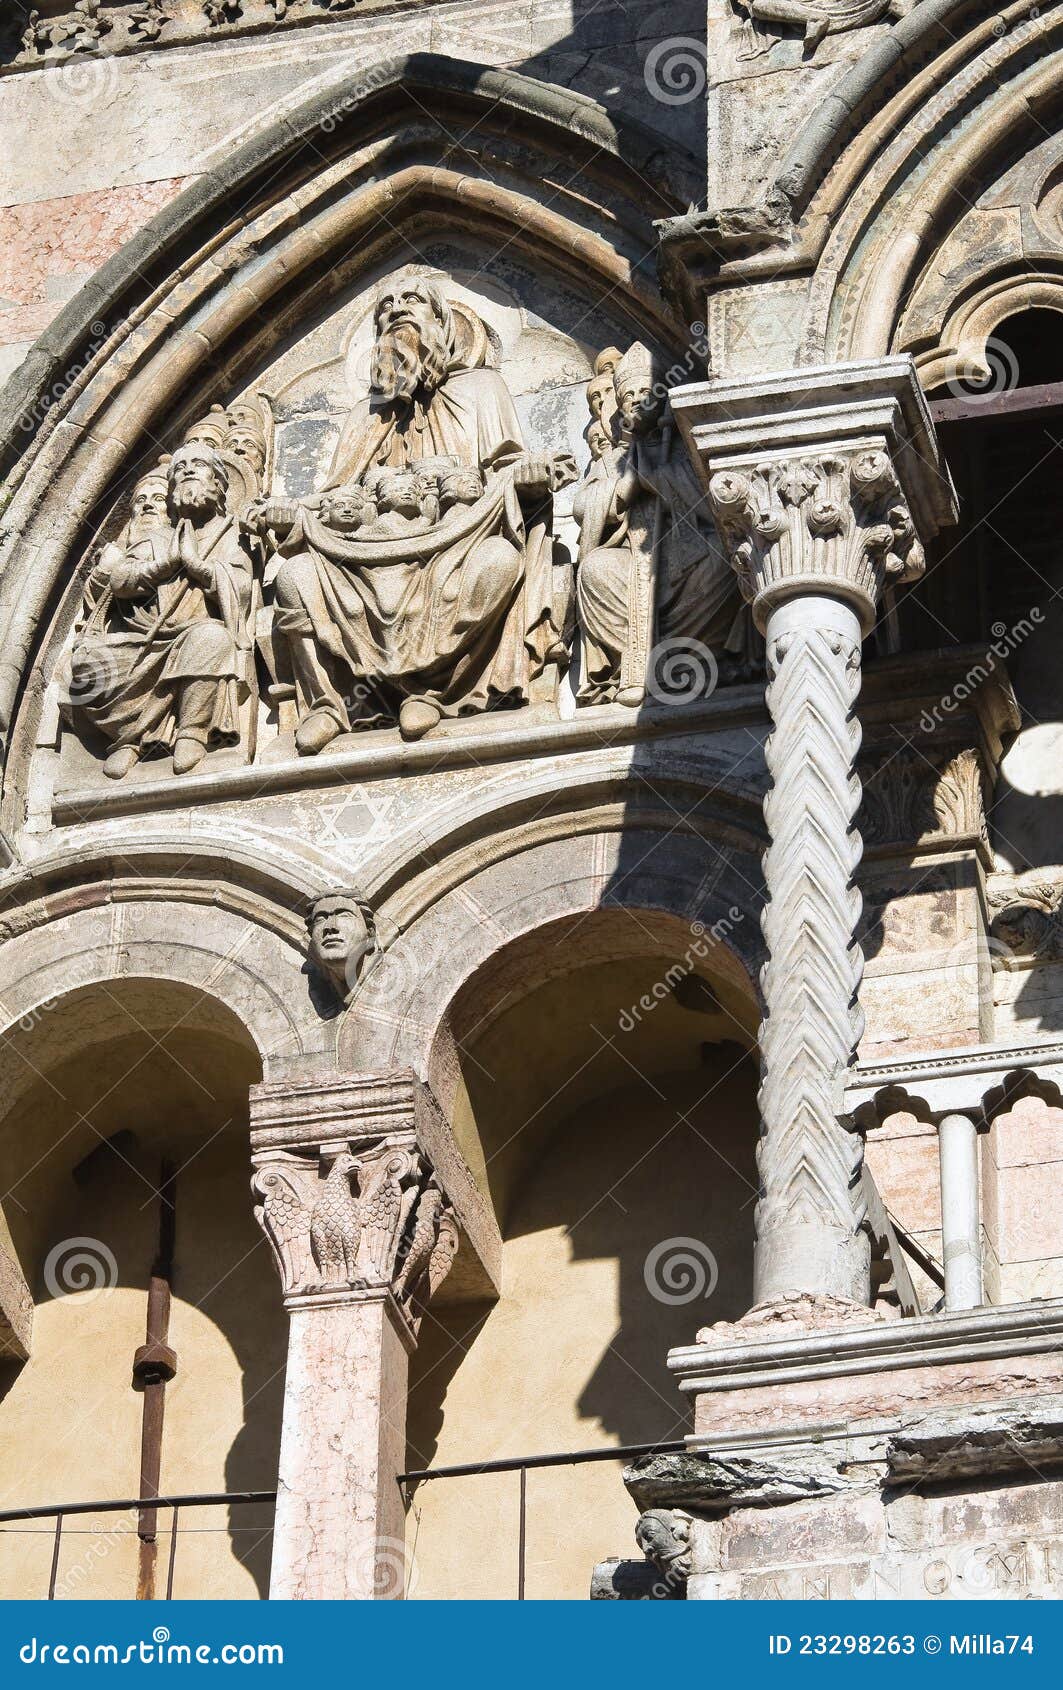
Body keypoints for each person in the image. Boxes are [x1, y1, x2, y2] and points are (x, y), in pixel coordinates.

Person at [67, 444, 255, 778]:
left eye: (197, 464)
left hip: (194, 635)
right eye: (179, 468)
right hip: (143, 638)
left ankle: (191, 730)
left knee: (211, 637)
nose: (187, 471)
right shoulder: (157, 536)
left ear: (219, 484)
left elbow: (240, 588)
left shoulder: (230, 533)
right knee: (87, 663)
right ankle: (129, 737)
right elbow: (121, 580)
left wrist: (198, 566)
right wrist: (165, 564)